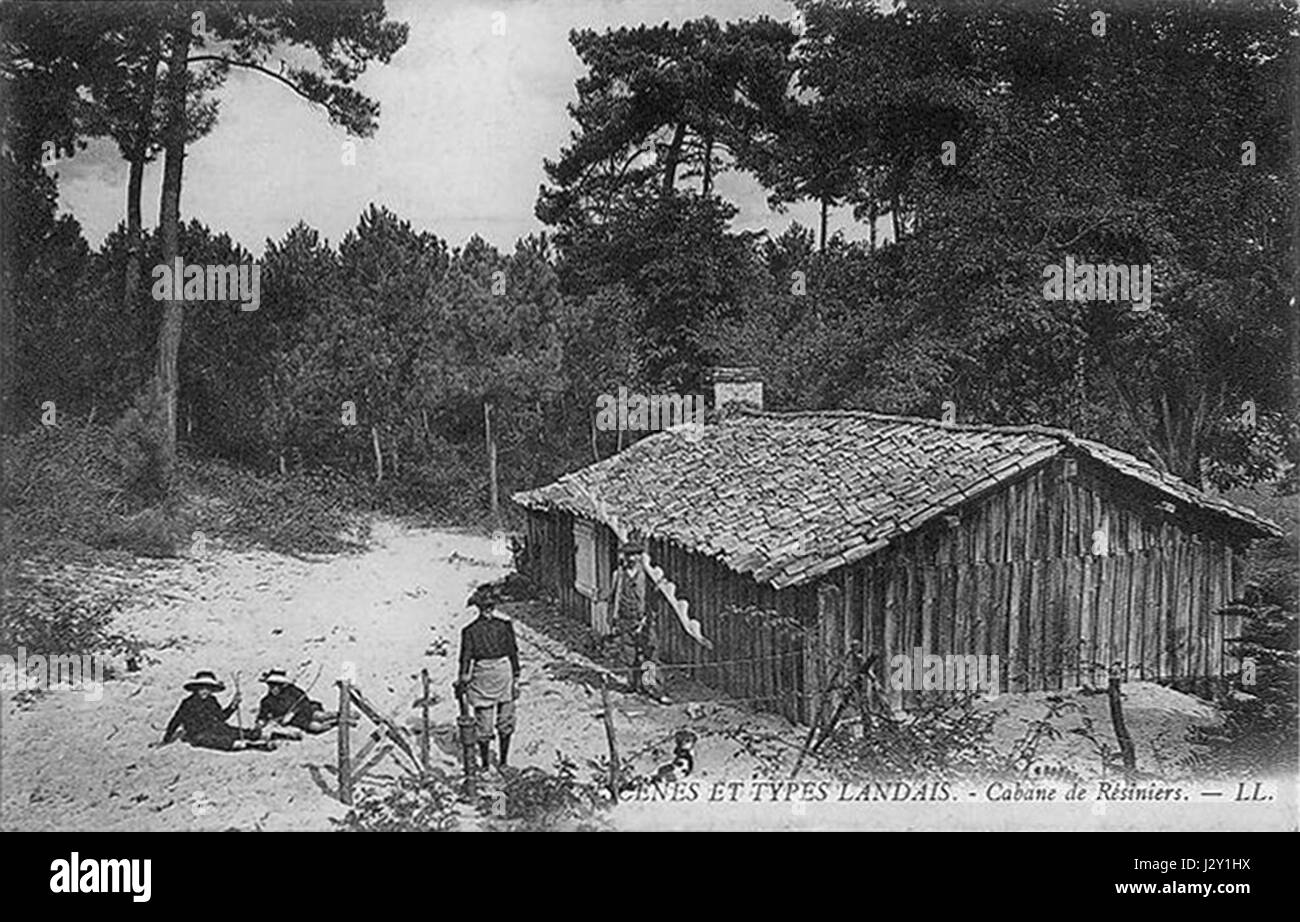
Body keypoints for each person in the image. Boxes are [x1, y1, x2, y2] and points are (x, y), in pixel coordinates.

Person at [455, 585, 519, 772]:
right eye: (485, 608)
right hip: (482, 675)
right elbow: (465, 658)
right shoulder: (470, 631)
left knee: (505, 720)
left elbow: (513, 652)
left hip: (503, 673)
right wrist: (463, 678)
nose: (488, 611)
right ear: (479, 608)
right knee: (484, 723)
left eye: (490, 607)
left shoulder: (504, 626)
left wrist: (515, 677)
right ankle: (484, 764)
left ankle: (503, 762)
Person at [161, 670, 275, 751]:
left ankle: (256, 736)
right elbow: (176, 720)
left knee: (235, 731)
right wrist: (166, 738)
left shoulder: (212, 700)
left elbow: (221, 717)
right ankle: (254, 746)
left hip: (215, 727)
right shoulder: (188, 703)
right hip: (197, 734)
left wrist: (233, 705)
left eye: (208, 688)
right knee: (219, 740)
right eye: (202, 688)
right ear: (196, 688)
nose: (205, 691)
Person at [603, 537, 660, 697]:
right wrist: (612, 619)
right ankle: (633, 684)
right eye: (628, 555)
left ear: (640, 556)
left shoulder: (647, 576)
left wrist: (647, 619)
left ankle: (650, 686)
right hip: (624, 620)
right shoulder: (619, 575)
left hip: (644, 620)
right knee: (629, 654)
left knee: (649, 654)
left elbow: (653, 601)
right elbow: (613, 598)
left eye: (635, 555)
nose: (631, 558)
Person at [255, 668, 340, 736]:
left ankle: (343, 714)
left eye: (277, 685)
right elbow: (263, 716)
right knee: (317, 728)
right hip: (298, 721)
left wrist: (292, 713)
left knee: (321, 716)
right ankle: (337, 723)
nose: (274, 688)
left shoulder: (292, 691)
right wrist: (260, 724)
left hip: (306, 710)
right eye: (271, 685)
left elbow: (304, 701)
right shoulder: (266, 701)